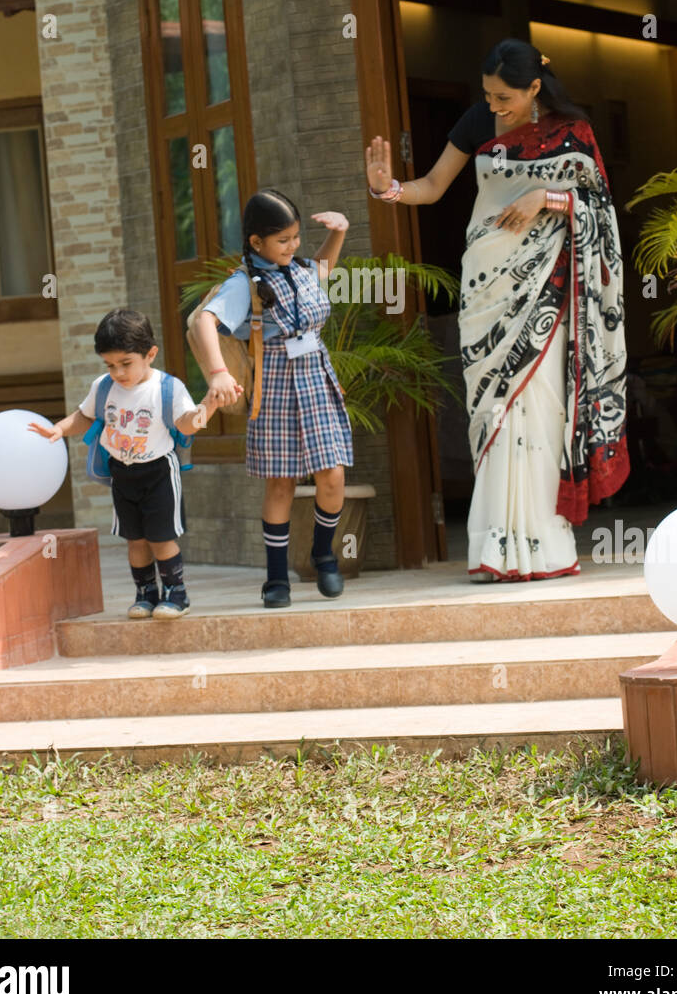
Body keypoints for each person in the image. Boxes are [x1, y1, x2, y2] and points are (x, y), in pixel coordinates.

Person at [366, 38, 629, 582]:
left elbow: (601, 212)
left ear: (535, 87)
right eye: (487, 95)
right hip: (487, 288)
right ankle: (493, 549)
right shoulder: (477, 123)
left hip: (550, 291)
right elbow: (433, 187)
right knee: (492, 413)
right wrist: (388, 189)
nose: (494, 106)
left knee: (541, 408)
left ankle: (544, 546)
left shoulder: (572, 133)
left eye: (504, 96)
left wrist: (546, 199)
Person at [196, 189, 353, 609]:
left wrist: (338, 234)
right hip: (277, 383)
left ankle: (324, 555)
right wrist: (218, 373)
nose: (292, 245)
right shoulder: (241, 283)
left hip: (317, 380)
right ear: (255, 242)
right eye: (283, 240)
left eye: (296, 237)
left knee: (333, 476)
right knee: (281, 483)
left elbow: (319, 271)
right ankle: (277, 579)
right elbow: (204, 321)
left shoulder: (298, 266)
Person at [29, 308, 228, 619]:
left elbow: (187, 425)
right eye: (110, 365)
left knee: (161, 538)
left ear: (150, 354)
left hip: (159, 472)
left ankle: (176, 594)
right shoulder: (104, 387)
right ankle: (146, 593)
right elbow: (86, 416)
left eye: (125, 364)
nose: (118, 373)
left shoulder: (167, 387)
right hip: (122, 473)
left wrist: (209, 404)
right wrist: (60, 428)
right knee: (135, 539)